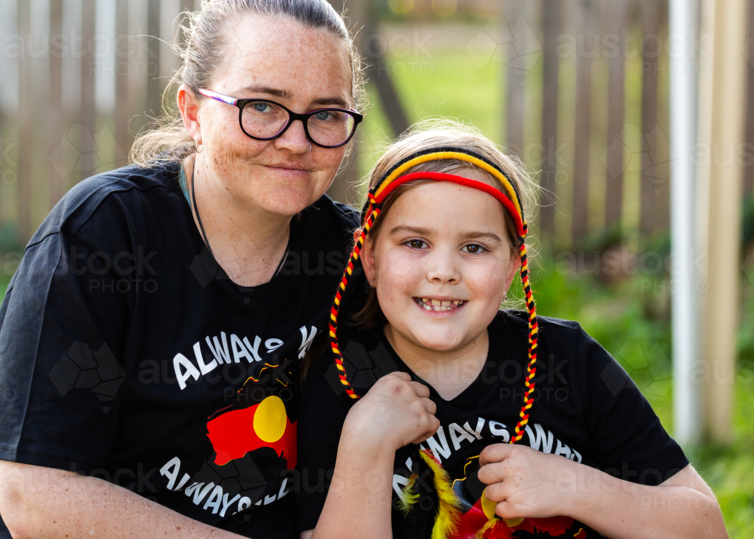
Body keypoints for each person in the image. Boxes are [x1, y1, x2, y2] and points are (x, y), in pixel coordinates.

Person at [0, 0, 369, 539]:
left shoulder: (354, 257)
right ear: (192, 110)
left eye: (327, 114)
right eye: (262, 106)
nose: (295, 140)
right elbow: (34, 496)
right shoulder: (105, 235)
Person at [295, 122, 728, 539]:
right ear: (369, 258)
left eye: (474, 247)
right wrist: (364, 445)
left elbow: (706, 529)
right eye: (415, 243)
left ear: (511, 268)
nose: (443, 271)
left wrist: (573, 486)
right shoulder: (341, 384)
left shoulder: (569, 363)